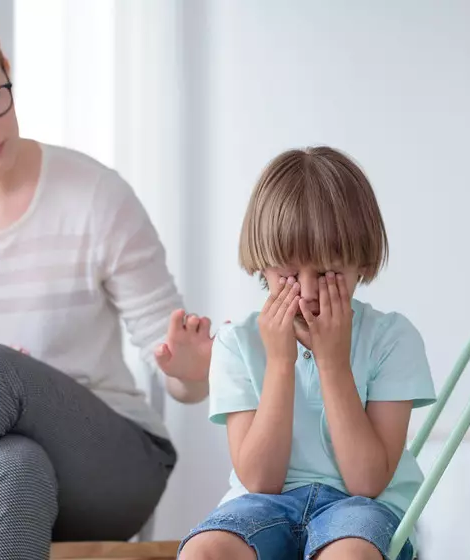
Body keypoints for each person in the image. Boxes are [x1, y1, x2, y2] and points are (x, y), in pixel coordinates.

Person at [0, 1, 214, 559]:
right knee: (11, 461)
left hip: (115, 466)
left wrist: (189, 374)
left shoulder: (96, 195)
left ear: (4, 65)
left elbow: (176, 368)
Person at [178, 146, 438, 560]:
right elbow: (260, 480)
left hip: (362, 509)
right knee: (204, 551)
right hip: (264, 504)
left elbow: (367, 481)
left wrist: (333, 362)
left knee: (349, 555)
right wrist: (280, 362)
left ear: (361, 265)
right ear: (262, 266)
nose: (310, 290)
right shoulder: (236, 344)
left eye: (326, 272)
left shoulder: (392, 338)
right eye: (288, 273)